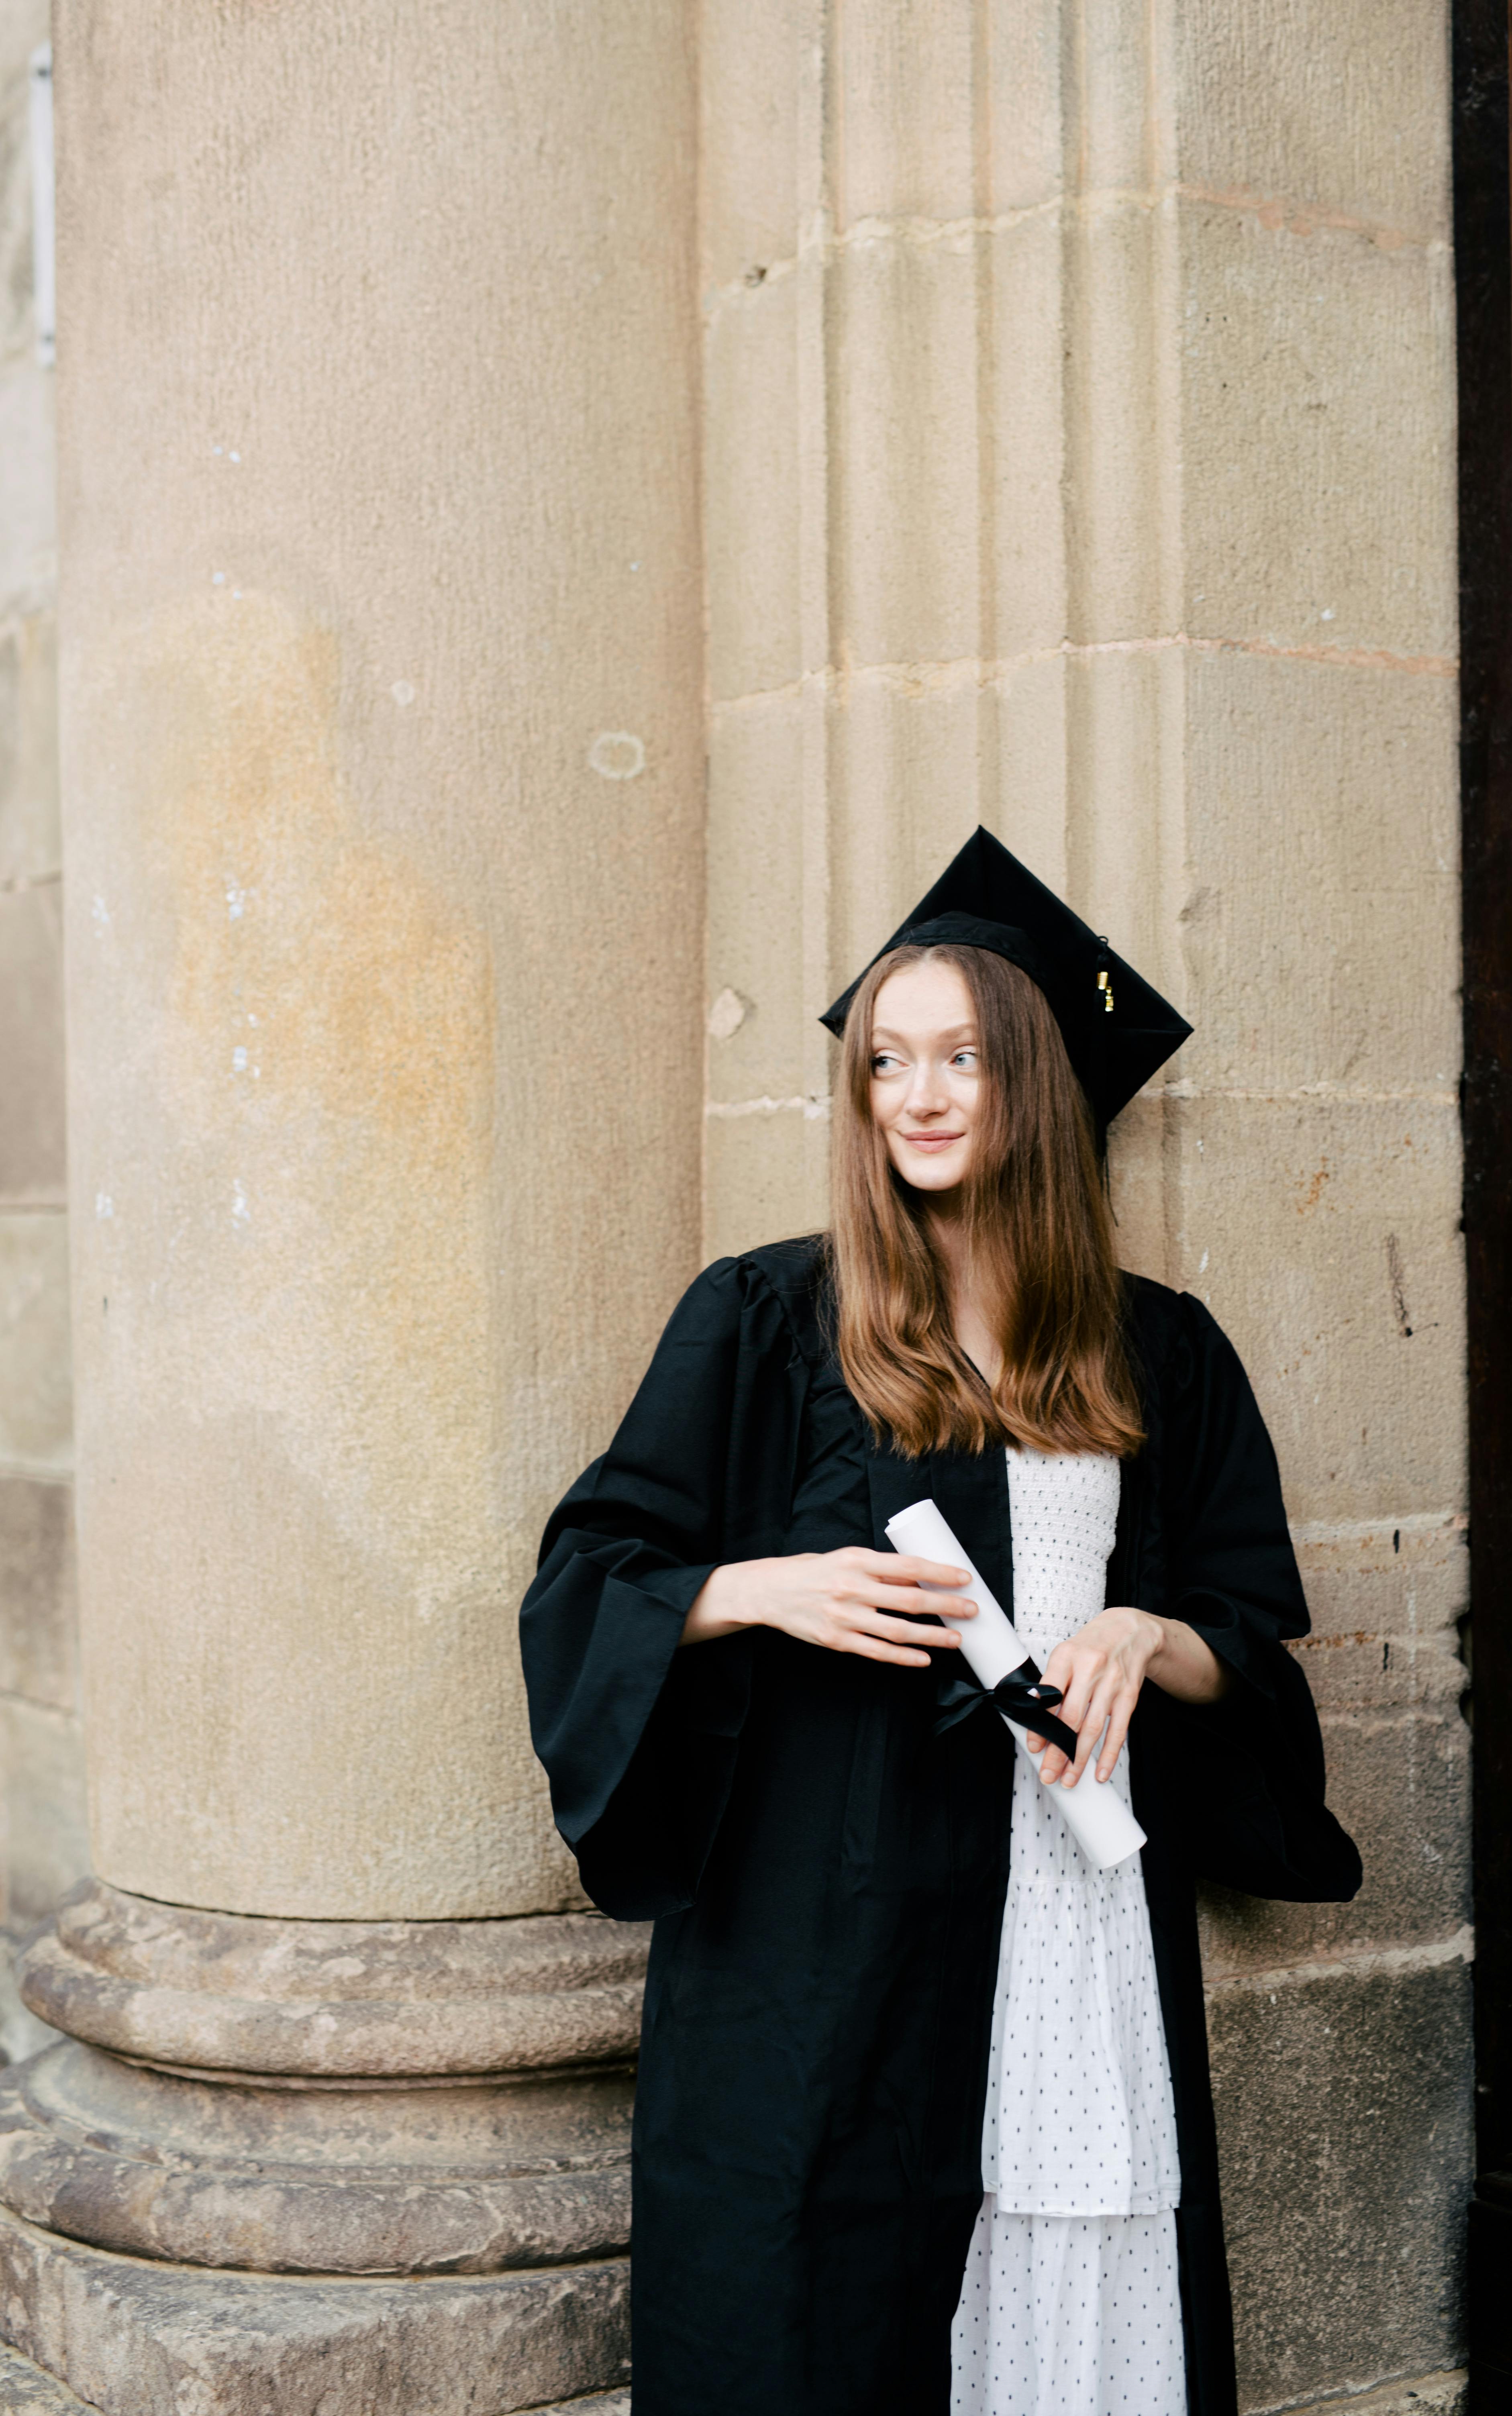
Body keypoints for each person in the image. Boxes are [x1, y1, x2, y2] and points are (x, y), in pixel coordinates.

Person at [519, 828, 1361, 2416]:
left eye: (961, 1056)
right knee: (822, 2271)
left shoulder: (1157, 1352)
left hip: (1068, 1891)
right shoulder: (766, 1317)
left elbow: (1238, 1626)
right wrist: (764, 1586)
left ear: (1031, 1083)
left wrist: (1139, 1637)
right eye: (886, 1060)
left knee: (1061, 2244)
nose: (914, 1094)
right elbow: (589, 1572)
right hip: (824, 1916)